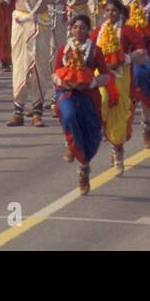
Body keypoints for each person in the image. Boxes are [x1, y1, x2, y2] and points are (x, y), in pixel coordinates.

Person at [54, 13, 112, 195]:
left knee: (91, 134)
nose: (78, 30)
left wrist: (91, 82)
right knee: (69, 116)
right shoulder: (63, 49)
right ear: (70, 29)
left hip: (88, 94)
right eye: (75, 27)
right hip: (67, 92)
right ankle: (71, 145)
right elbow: (55, 72)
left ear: (88, 31)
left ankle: (84, 167)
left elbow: (105, 75)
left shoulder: (95, 51)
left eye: (83, 28)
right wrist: (60, 81)